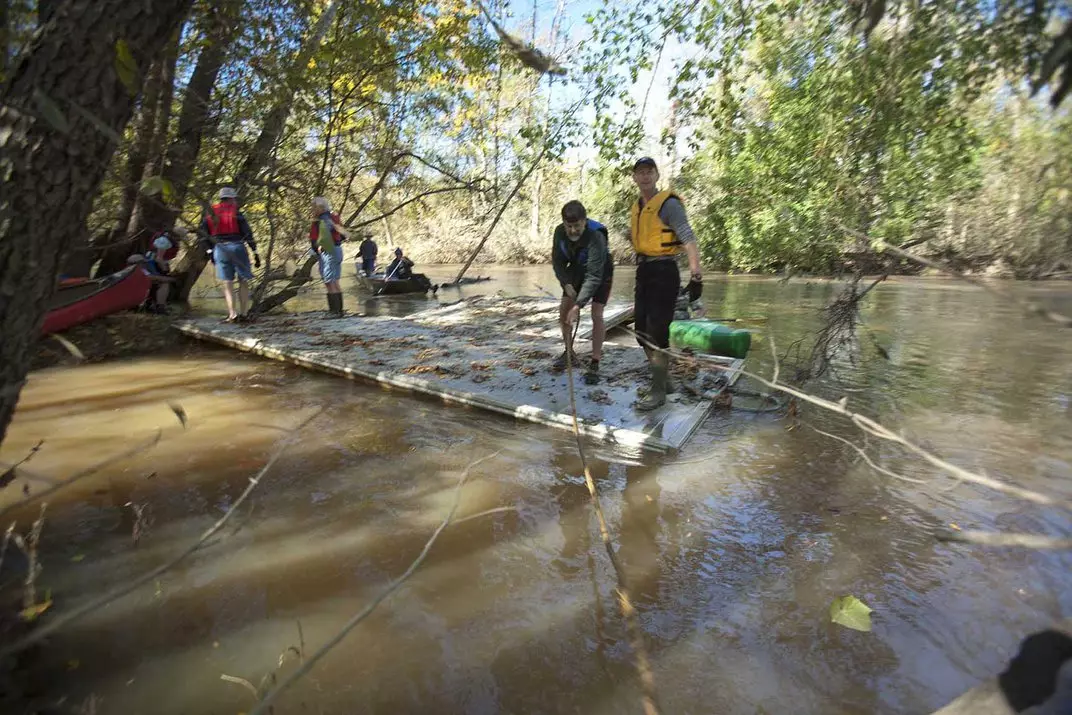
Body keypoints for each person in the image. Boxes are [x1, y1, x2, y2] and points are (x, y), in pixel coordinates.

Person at [629, 157, 703, 411]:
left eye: (650, 172)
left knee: (657, 332)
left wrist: (696, 273)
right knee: (641, 332)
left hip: (664, 270)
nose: (645, 176)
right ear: (635, 178)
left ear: (657, 175)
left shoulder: (668, 204)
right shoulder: (637, 205)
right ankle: (665, 381)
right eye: (640, 173)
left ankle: (658, 391)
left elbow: (688, 237)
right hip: (644, 269)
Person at [553, 200, 613, 384]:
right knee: (564, 310)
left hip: (601, 271)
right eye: (569, 226)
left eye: (577, 226)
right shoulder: (559, 232)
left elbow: (594, 276)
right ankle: (568, 352)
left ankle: (595, 362)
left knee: (597, 313)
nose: (572, 230)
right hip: (577, 268)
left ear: (584, 221)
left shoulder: (596, 236)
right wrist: (566, 284)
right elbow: (558, 262)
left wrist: (579, 304)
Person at [199, 187, 260, 323]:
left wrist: (209, 252)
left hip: (219, 249)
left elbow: (203, 235)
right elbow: (248, 234)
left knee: (228, 282)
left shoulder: (210, 214)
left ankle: (232, 314)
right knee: (243, 280)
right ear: (232, 199)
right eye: (235, 199)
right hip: (237, 246)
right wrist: (255, 251)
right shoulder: (236, 212)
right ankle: (243, 313)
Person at [309, 196, 348, 317]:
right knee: (334, 280)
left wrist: (322, 245)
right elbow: (341, 235)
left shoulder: (324, 217)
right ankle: (338, 311)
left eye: (313, 207)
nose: (312, 209)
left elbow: (328, 228)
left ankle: (335, 312)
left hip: (329, 251)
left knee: (329, 281)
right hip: (336, 250)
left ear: (320, 207)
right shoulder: (332, 217)